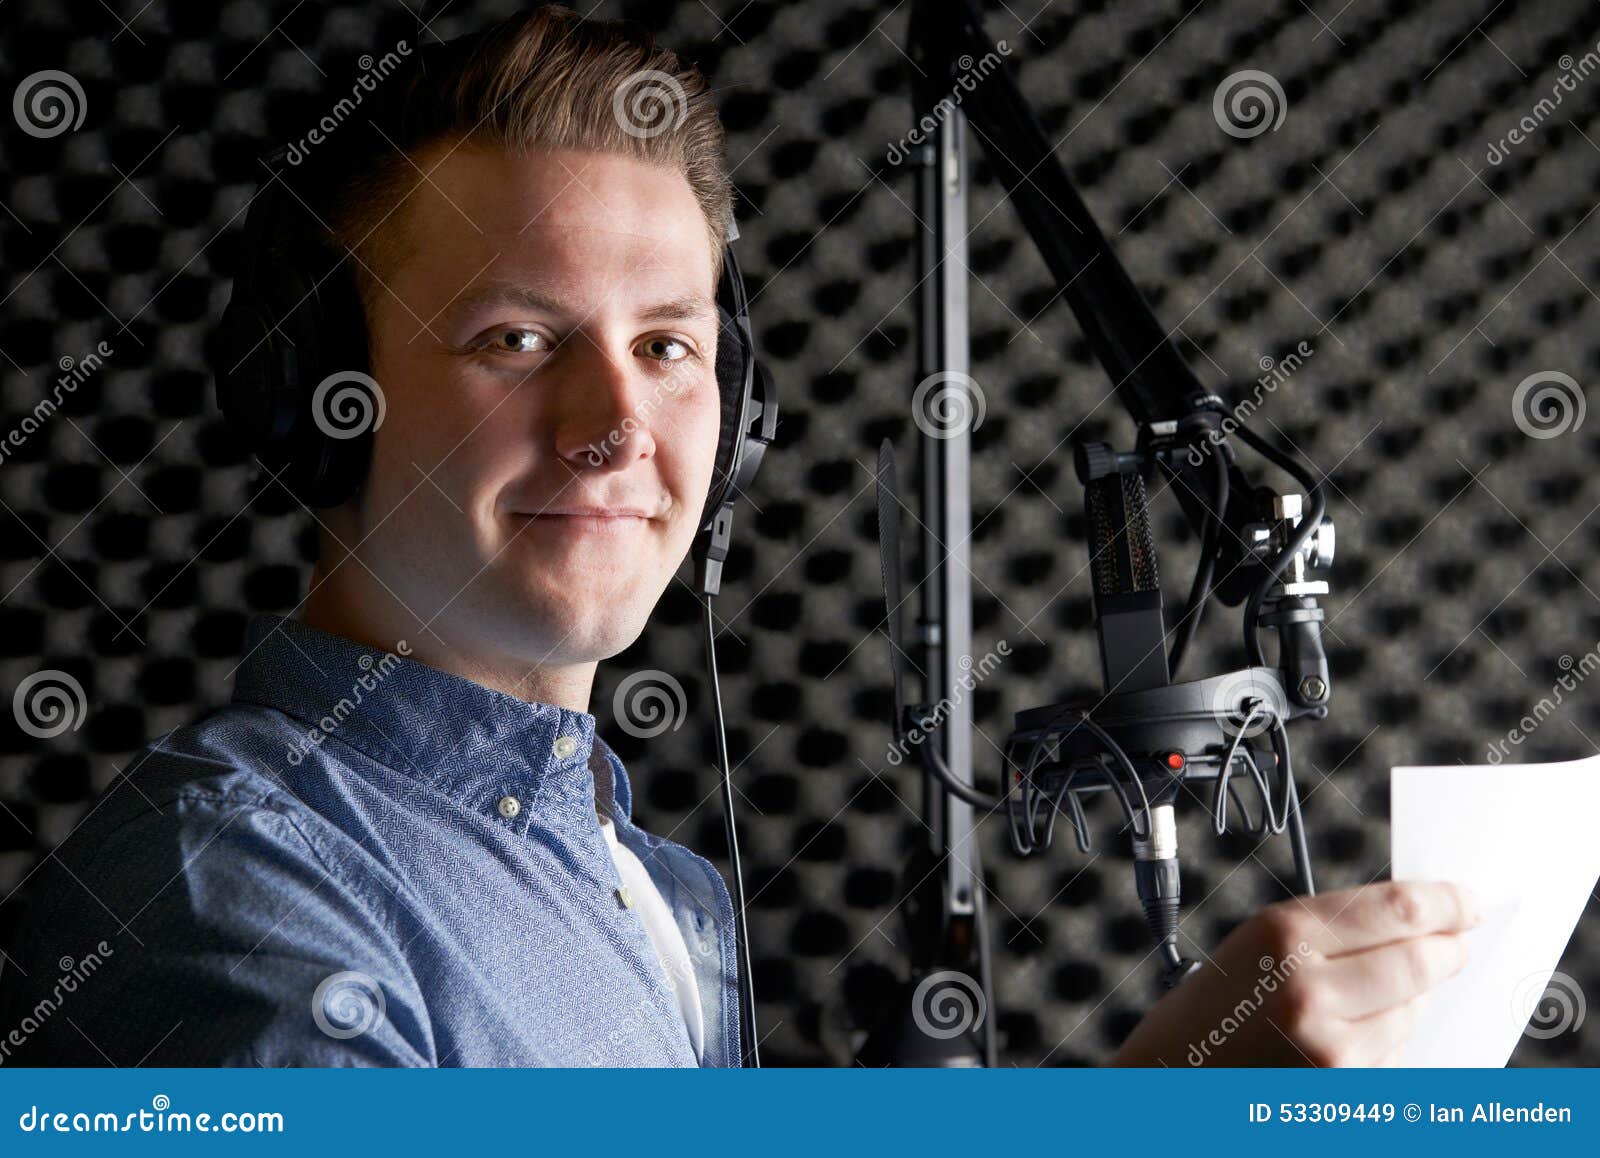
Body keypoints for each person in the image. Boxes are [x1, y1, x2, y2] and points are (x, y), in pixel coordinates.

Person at [0, 4, 1475, 1068]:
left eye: (667, 346)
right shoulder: (226, 896)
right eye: (516, 339)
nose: (615, 426)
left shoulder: (654, 890)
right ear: (315, 396)